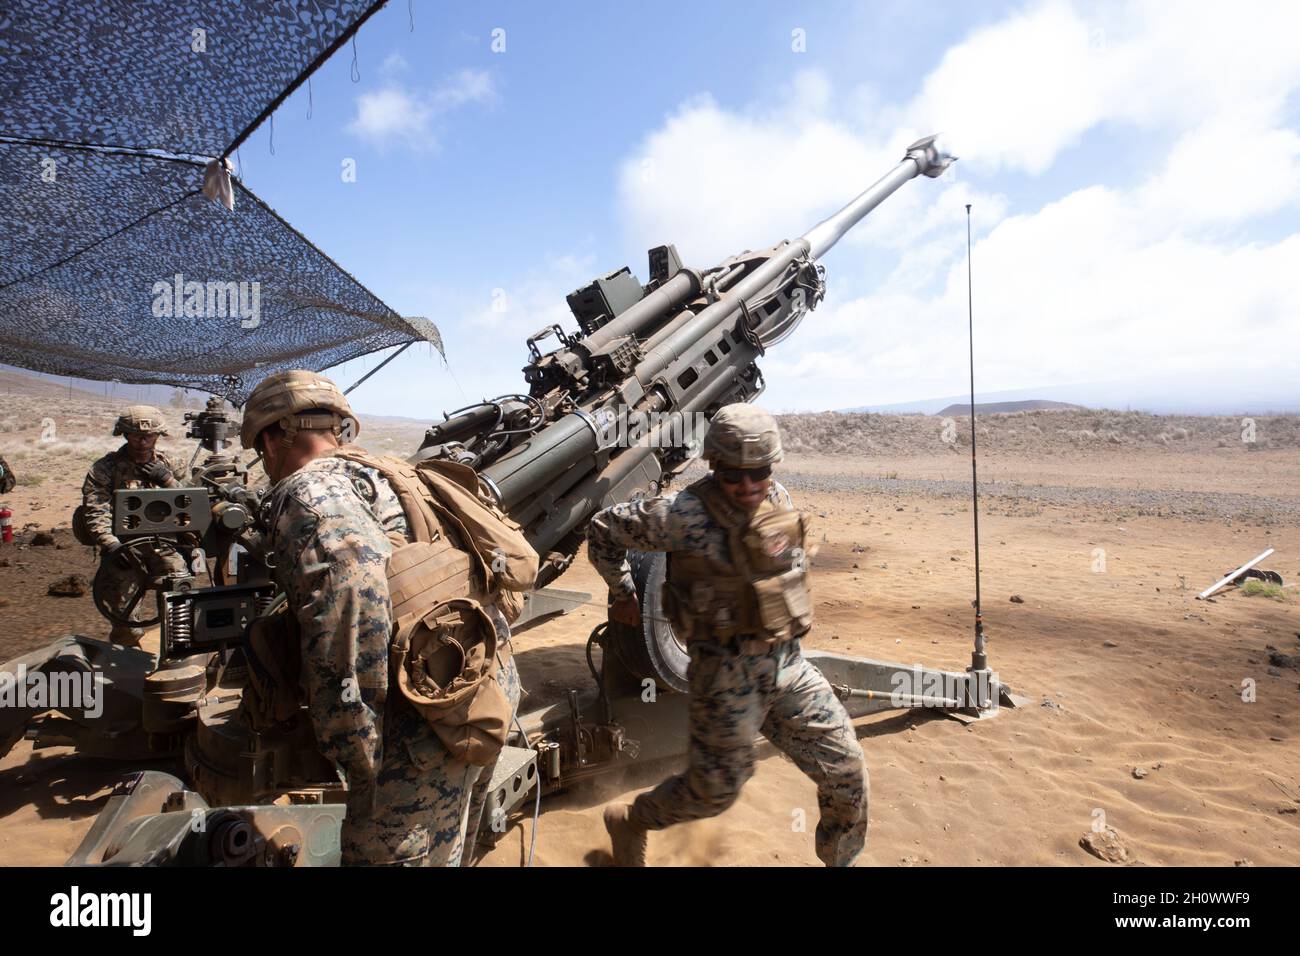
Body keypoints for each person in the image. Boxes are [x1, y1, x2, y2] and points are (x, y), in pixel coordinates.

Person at [241, 369, 528, 866]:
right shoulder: (391, 472)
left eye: (260, 448)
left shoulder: (309, 495)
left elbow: (352, 612)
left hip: (416, 735)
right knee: (452, 848)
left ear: (274, 436)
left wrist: (353, 747)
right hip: (480, 697)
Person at [587, 402, 868, 867]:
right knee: (712, 793)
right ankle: (632, 821)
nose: (747, 486)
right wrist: (622, 591)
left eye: (757, 472)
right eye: (733, 474)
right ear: (715, 464)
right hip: (725, 677)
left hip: (788, 668)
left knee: (847, 772)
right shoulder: (681, 515)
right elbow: (603, 528)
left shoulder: (779, 498)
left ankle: (842, 859)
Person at [80, 405, 188, 645]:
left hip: (165, 544)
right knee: (123, 613)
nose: (142, 440)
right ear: (125, 434)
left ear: (158, 435)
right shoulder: (104, 469)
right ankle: (127, 655)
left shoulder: (172, 465)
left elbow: (193, 503)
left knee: (182, 596)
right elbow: (96, 509)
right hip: (123, 549)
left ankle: (178, 651)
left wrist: (168, 481)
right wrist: (111, 545)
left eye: (148, 435)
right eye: (135, 435)